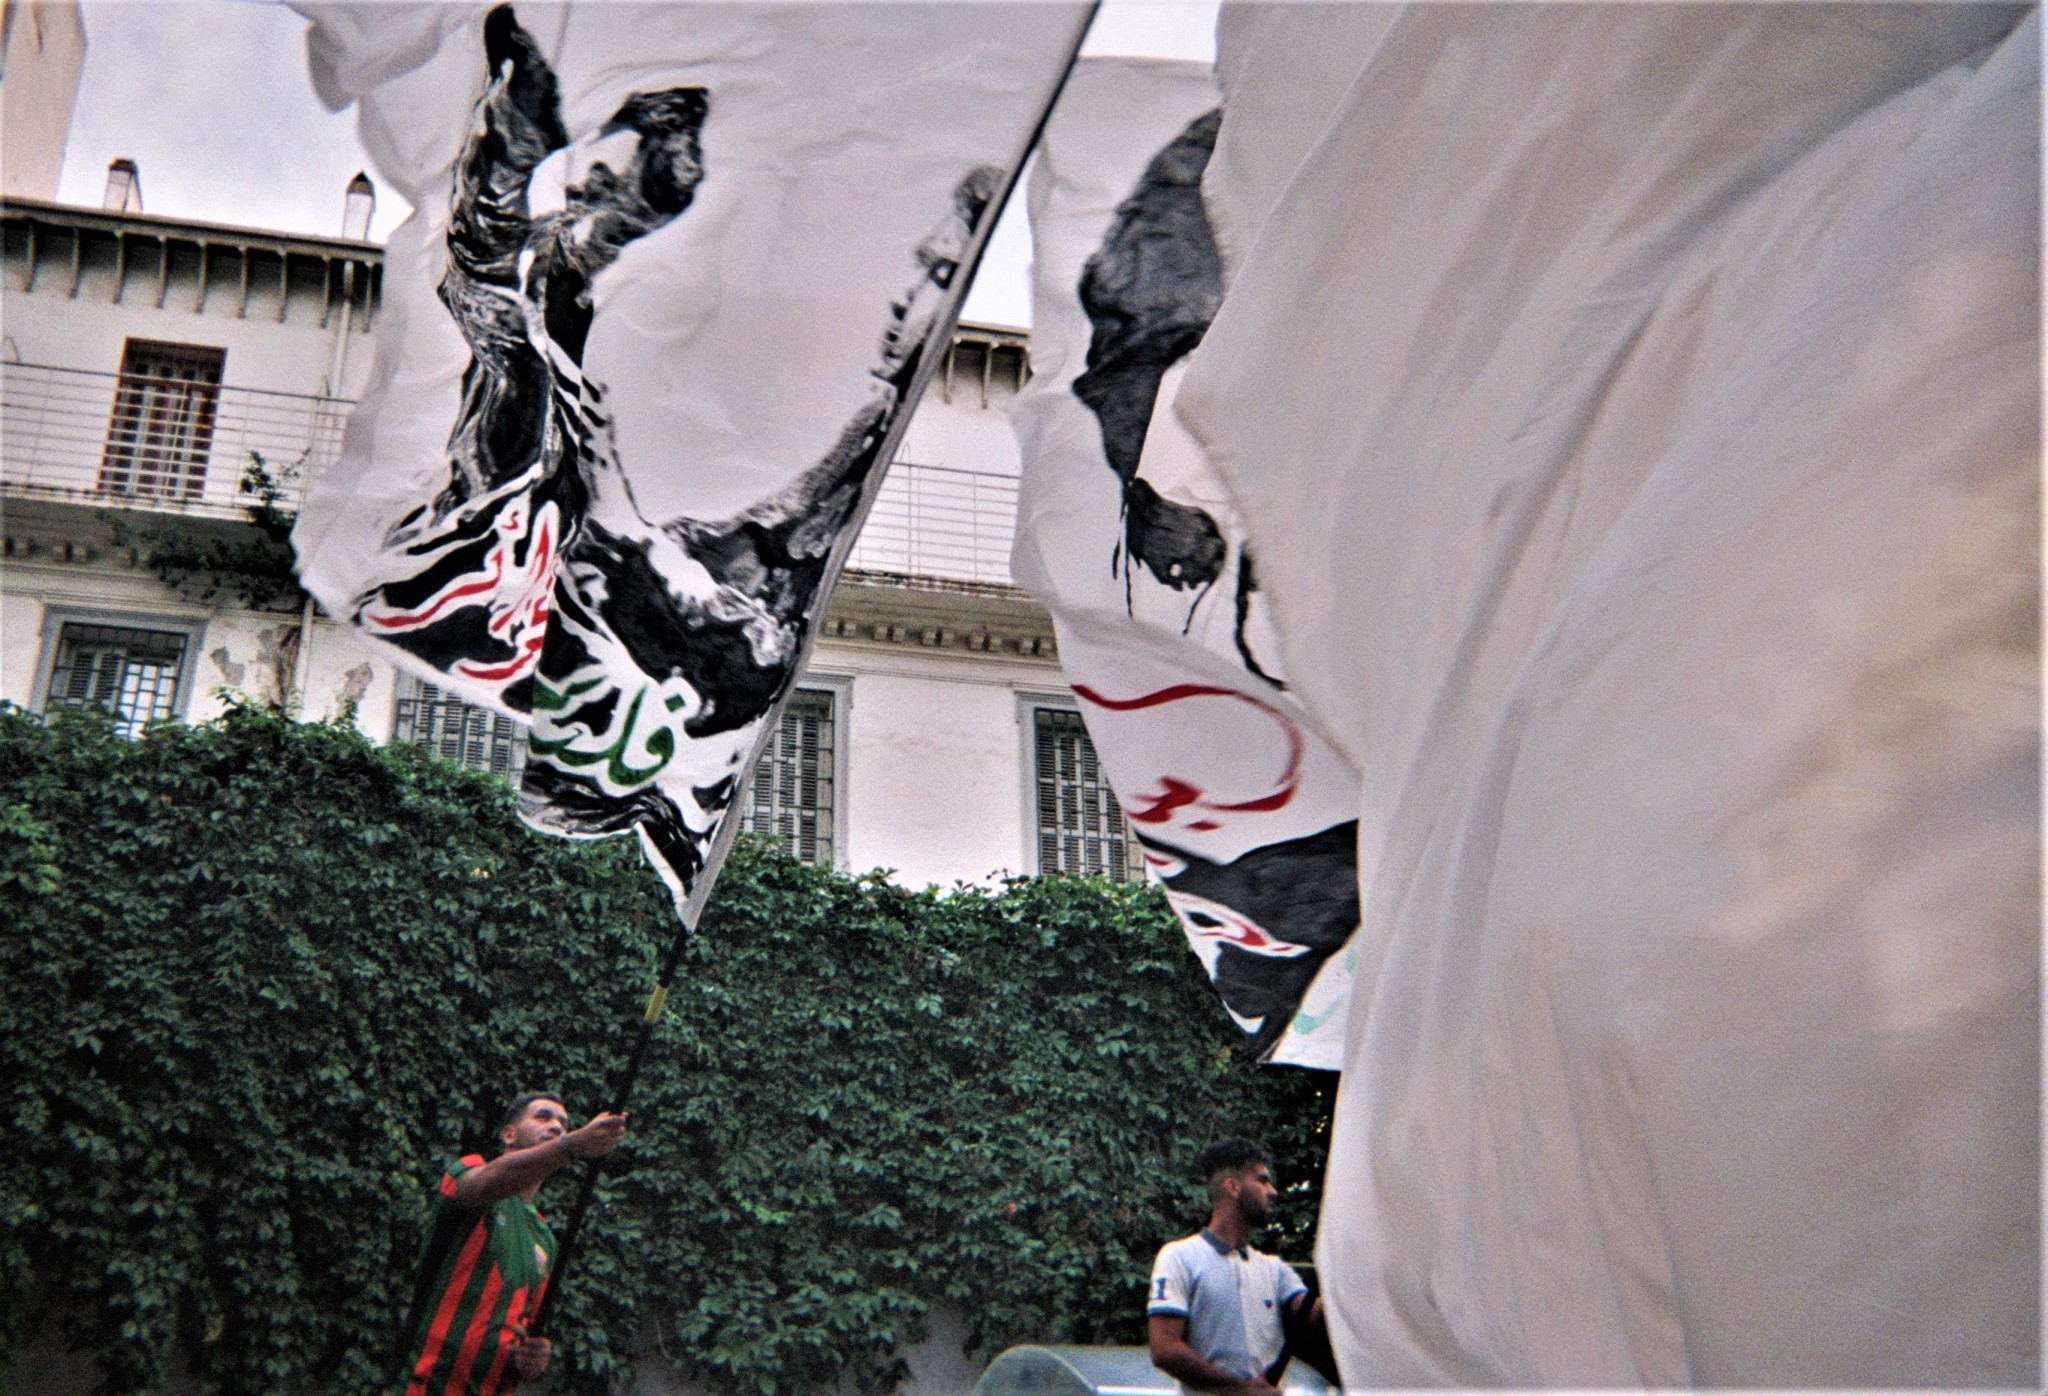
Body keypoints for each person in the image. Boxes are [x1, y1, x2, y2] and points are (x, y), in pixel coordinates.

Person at [394, 1092, 629, 1396]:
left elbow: (528, 1333)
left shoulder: (543, 1237)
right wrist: (570, 1146)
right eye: (543, 1117)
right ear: (509, 1134)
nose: (557, 1127)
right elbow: (484, 1184)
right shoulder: (469, 1174)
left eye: (564, 1123)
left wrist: (533, 1359)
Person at [1147, 1138, 1325, 1395]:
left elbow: (1315, 1315)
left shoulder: (1274, 1269)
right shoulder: (1180, 1256)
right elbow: (1164, 1350)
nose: (1273, 1191)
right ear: (1233, 1186)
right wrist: (1241, 1389)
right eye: (1262, 1180)